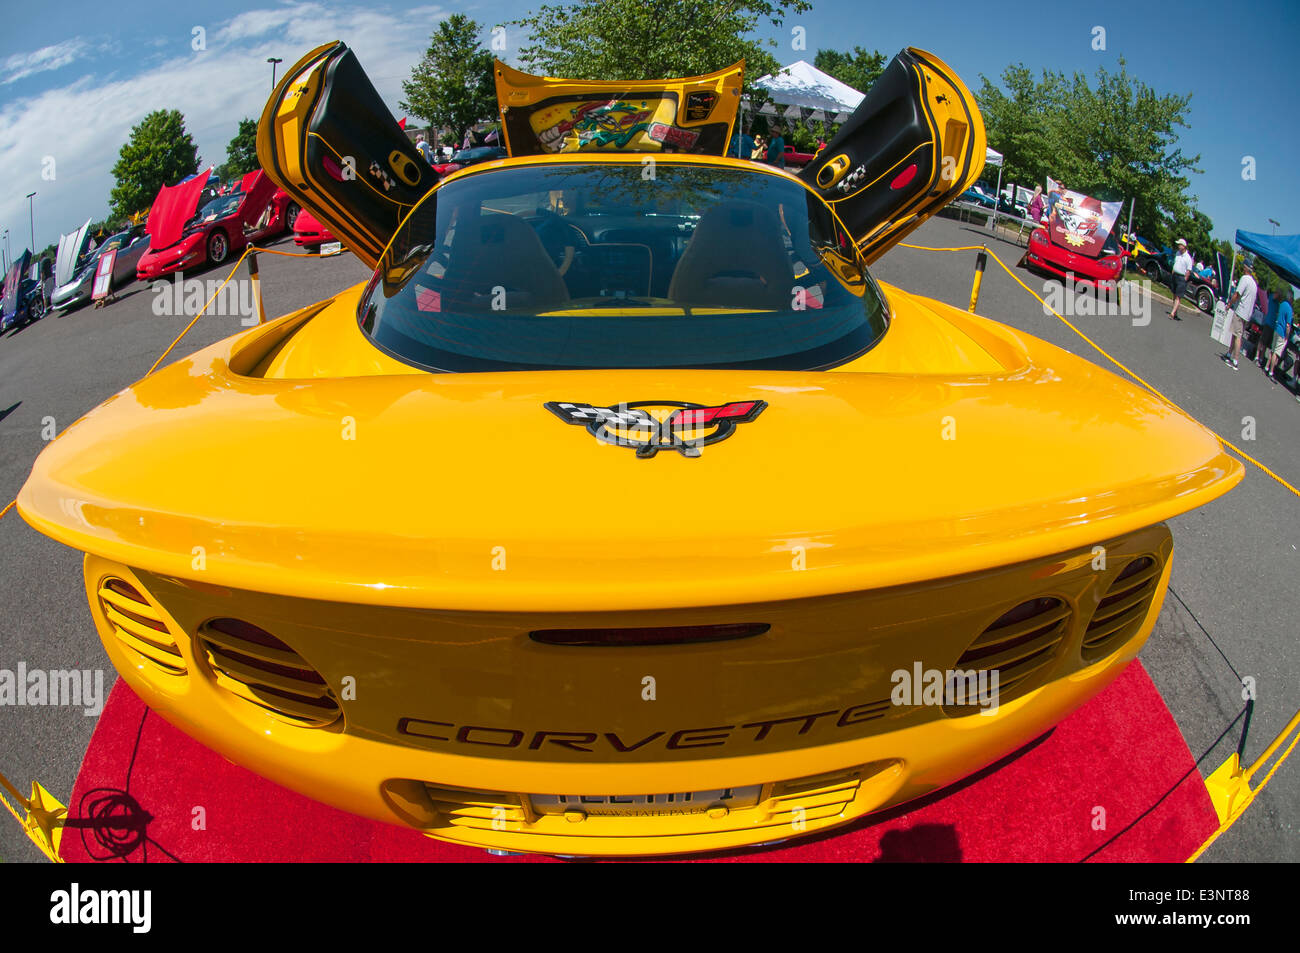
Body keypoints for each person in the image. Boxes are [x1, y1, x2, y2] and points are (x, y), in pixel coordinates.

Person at [1220, 261, 1258, 369]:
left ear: (1245, 268)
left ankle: (1235, 360)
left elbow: (1237, 294)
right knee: (1235, 333)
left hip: (1240, 311)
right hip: (1247, 314)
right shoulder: (1254, 284)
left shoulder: (1244, 279)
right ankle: (1229, 353)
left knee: (1238, 336)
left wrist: (1229, 304)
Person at [1264, 290, 1292, 381]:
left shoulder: (1282, 304)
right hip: (1282, 333)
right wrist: (1287, 336)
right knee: (1276, 353)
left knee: (1272, 350)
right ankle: (1271, 372)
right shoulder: (1290, 310)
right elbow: (1288, 325)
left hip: (1276, 329)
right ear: (1291, 298)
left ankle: (1267, 366)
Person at [1169, 238, 1193, 320]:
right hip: (1175, 275)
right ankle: (1175, 311)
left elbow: (1188, 271)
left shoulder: (1188, 258)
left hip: (1181, 278)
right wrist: (1173, 272)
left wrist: (1185, 279)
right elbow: (1175, 263)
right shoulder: (1177, 254)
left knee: (1178, 296)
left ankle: (1172, 313)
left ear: (1184, 246)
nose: (1178, 246)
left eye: (1180, 244)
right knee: (1174, 294)